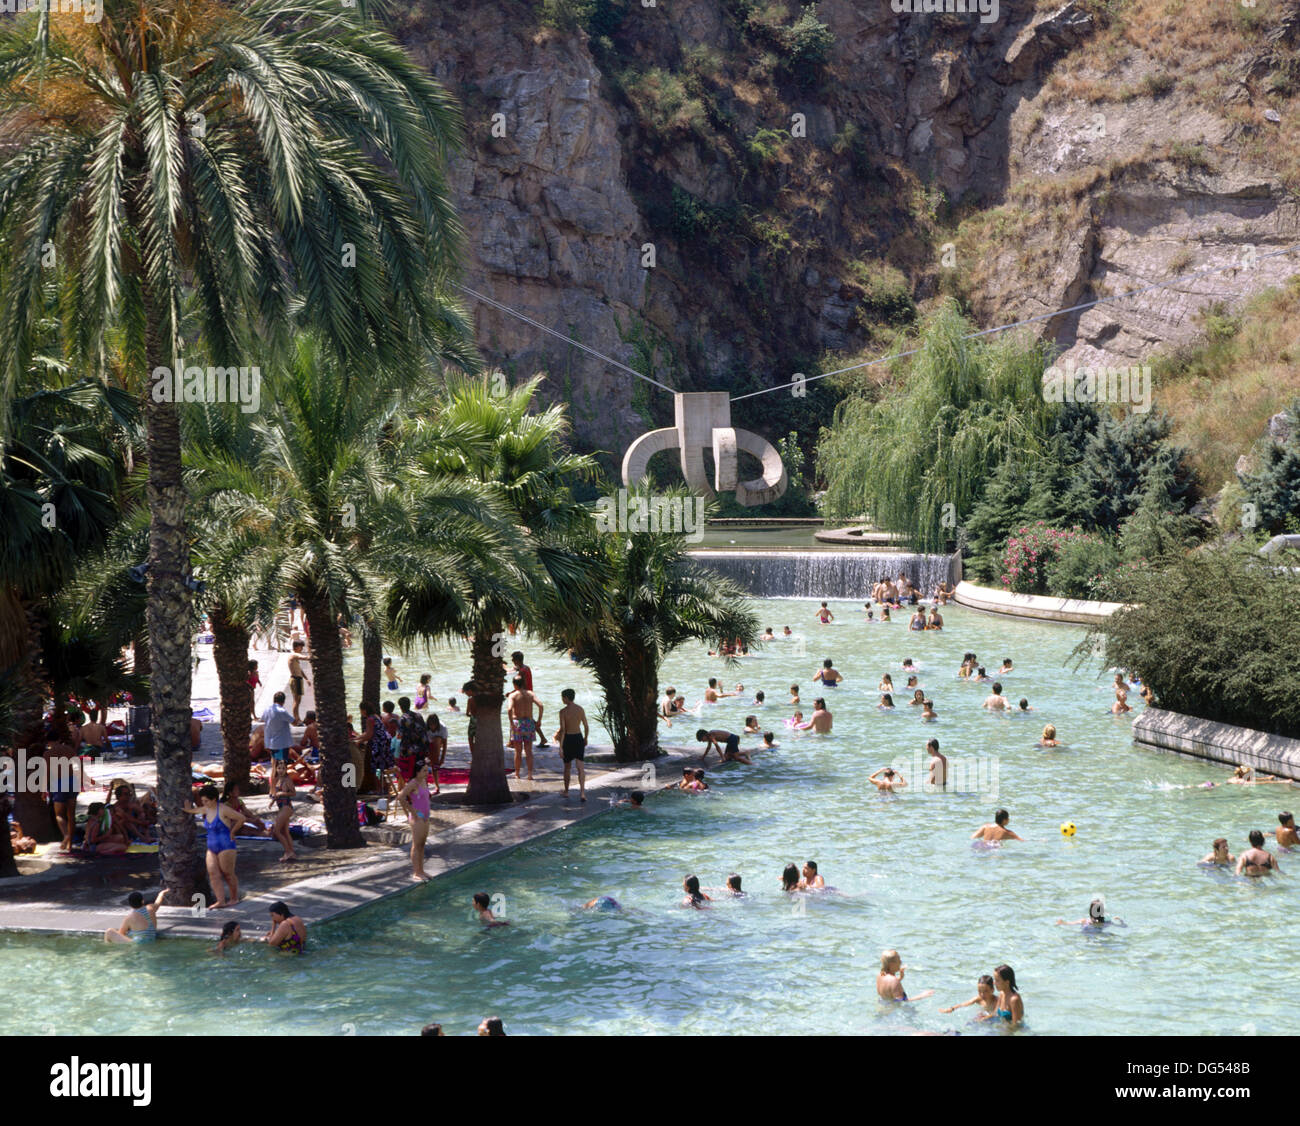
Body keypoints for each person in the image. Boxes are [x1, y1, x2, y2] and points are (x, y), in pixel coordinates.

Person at [183, 784, 245, 907]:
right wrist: (187, 809)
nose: (203, 803)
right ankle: (220, 901)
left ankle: (234, 898)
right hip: (211, 847)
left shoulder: (223, 809)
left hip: (226, 846)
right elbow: (194, 811)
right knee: (213, 874)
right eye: (202, 801)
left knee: (228, 873)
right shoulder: (206, 809)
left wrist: (233, 832)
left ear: (214, 799)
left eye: (206, 801)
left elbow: (241, 818)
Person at [398, 765, 433, 881]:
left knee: (422, 844)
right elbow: (400, 797)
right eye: (424, 770)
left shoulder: (423, 781)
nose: (427, 772)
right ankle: (416, 872)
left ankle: (421, 870)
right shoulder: (413, 783)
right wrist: (413, 811)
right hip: (417, 817)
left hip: (426, 815)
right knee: (416, 844)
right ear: (417, 772)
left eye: (427, 770)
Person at [555, 688, 589, 800]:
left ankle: (566, 791)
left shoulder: (563, 712)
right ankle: (582, 793)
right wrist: (585, 738)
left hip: (568, 739)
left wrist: (560, 747)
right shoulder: (580, 709)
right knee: (580, 768)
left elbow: (563, 730)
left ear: (566, 698)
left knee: (567, 767)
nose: (562, 699)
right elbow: (586, 726)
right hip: (578, 738)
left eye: (562, 697)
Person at [507, 674, 543, 782]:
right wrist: (539, 720)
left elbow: (509, 709)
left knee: (518, 751)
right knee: (529, 751)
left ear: (514, 684)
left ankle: (517, 774)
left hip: (517, 723)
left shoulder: (513, 695)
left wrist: (511, 723)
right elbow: (541, 705)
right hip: (529, 723)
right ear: (523, 683)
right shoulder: (530, 694)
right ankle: (530, 774)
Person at [267, 762, 297, 863]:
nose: (281, 770)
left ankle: (288, 852)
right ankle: (292, 853)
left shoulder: (287, 780)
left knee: (276, 831)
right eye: (279, 768)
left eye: (283, 768)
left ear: (286, 770)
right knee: (285, 831)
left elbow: (293, 793)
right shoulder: (277, 779)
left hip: (286, 807)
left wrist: (282, 793)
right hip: (281, 807)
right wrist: (272, 802)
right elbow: (276, 795)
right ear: (276, 769)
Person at [261, 691, 294, 767]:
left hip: (271, 743)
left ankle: (274, 774)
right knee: (281, 766)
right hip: (281, 743)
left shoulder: (267, 709)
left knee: (274, 763)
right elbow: (293, 721)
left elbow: (262, 719)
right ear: (283, 701)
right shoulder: (282, 711)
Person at [1057, 898, 1125, 927]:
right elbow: (1123, 926)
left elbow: (1070, 924)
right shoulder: (1107, 922)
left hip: (1087, 934)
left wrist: (1062, 922)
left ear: (1090, 912)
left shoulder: (1084, 921)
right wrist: (1120, 920)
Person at [287, 640, 311, 723]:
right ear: (296, 647)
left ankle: (297, 718)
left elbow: (299, 669)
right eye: (301, 647)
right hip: (295, 679)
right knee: (296, 701)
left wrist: (306, 678)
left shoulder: (295, 657)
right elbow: (304, 657)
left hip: (298, 679)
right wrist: (311, 654)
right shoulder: (294, 655)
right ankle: (296, 719)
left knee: (298, 701)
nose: (302, 649)